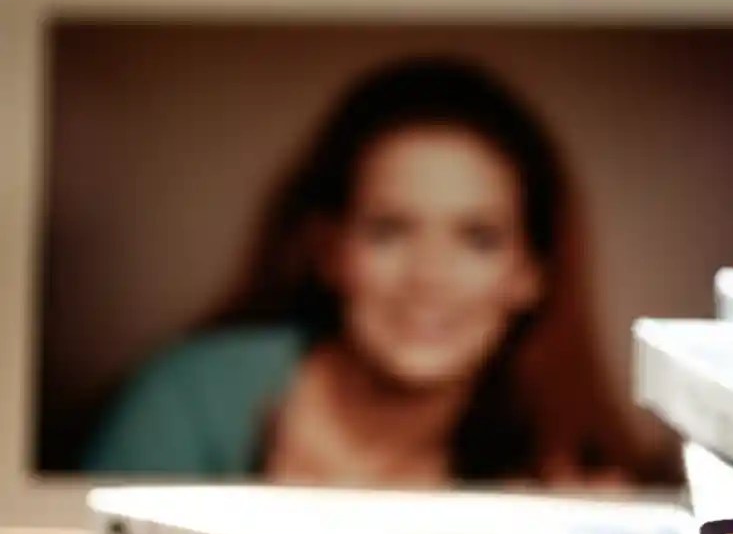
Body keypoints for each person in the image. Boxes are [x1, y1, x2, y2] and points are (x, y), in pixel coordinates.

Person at [84, 56, 677, 487]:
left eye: (478, 238)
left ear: (530, 275)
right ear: (329, 252)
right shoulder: (191, 398)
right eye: (389, 230)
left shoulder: (566, 484)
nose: (429, 278)